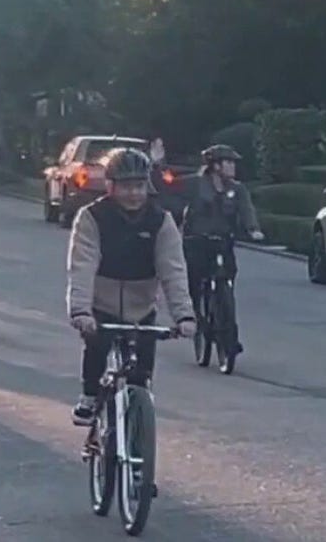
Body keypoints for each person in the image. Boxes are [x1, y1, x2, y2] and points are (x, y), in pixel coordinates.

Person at [66, 147, 197, 425]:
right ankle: (89, 396)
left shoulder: (161, 221)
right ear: (110, 186)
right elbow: (83, 265)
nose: (134, 194)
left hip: (142, 307)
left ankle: (138, 432)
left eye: (139, 186)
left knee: (141, 377)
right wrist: (80, 311)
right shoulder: (92, 217)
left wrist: (184, 316)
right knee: (96, 348)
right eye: (126, 187)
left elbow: (173, 269)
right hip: (102, 305)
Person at [181, 144, 264, 370]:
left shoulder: (237, 189)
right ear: (215, 166)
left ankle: (229, 335)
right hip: (197, 241)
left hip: (223, 243)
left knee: (226, 282)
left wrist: (253, 229)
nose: (232, 167)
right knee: (195, 282)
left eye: (233, 163)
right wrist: (156, 166)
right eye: (228, 162)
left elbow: (247, 211)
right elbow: (166, 189)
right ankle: (198, 320)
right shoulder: (196, 184)